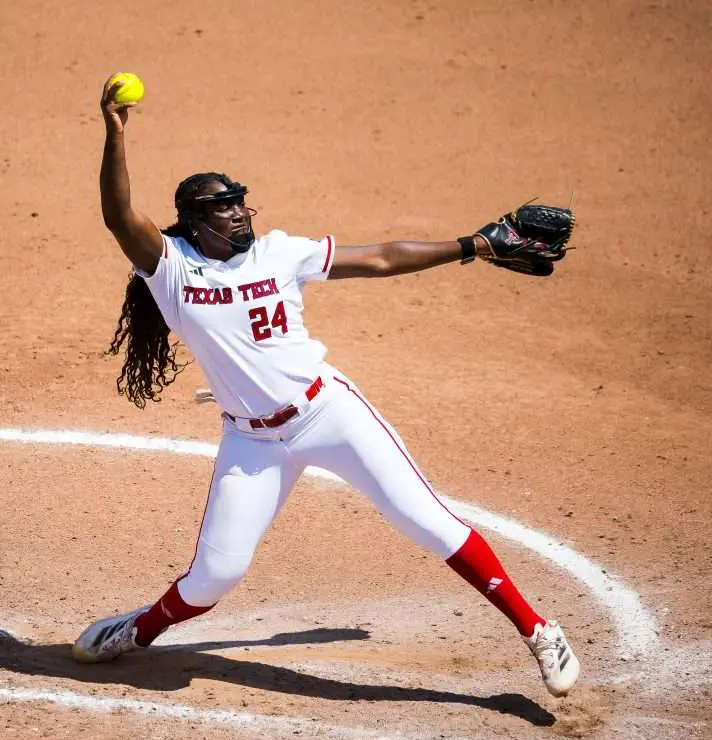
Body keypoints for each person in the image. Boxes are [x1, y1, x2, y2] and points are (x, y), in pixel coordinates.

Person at [71, 76, 580, 698]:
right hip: (252, 443)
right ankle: (139, 631)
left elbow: (383, 257)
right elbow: (118, 215)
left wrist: (473, 245)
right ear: (195, 221)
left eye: (240, 201)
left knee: (426, 522)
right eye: (223, 206)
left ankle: (537, 630)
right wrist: (115, 134)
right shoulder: (171, 268)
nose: (239, 212)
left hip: (328, 412)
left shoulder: (283, 253)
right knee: (214, 576)